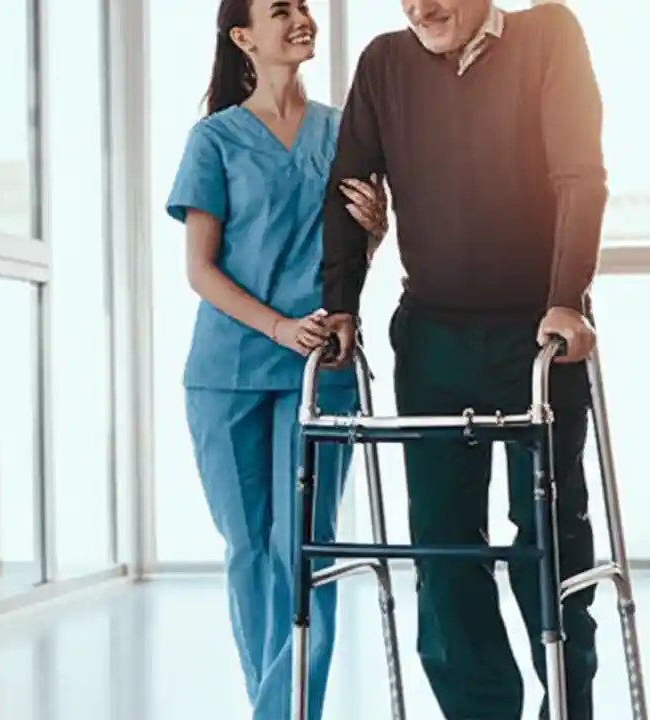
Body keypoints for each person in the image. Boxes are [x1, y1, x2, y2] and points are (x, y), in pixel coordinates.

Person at [319, 1, 607, 718]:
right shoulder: (385, 63)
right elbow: (350, 187)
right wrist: (341, 303)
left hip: (536, 336)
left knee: (548, 530)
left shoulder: (547, 36)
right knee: (443, 547)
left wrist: (566, 298)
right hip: (433, 340)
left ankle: (567, 705)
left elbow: (580, 176)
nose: (421, 7)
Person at [164, 1, 389, 718]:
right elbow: (200, 270)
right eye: (280, 10)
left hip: (319, 370)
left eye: (304, 6)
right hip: (227, 371)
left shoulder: (344, 131)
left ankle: (286, 712)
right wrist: (277, 326)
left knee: (308, 551)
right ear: (244, 37)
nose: (302, 18)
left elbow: (343, 254)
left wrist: (375, 234)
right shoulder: (214, 139)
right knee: (251, 552)